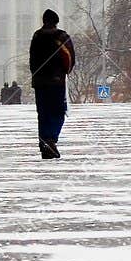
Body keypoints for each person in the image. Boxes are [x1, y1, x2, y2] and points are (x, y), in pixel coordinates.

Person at [28, 9, 75, 159]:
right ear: (56, 21)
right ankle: (51, 140)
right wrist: (64, 72)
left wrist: (36, 75)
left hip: (39, 82)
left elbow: (32, 59)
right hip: (56, 82)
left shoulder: (37, 36)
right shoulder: (61, 36)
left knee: (43, 113)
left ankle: (44, 143)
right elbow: (69, 58)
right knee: (57, 112)